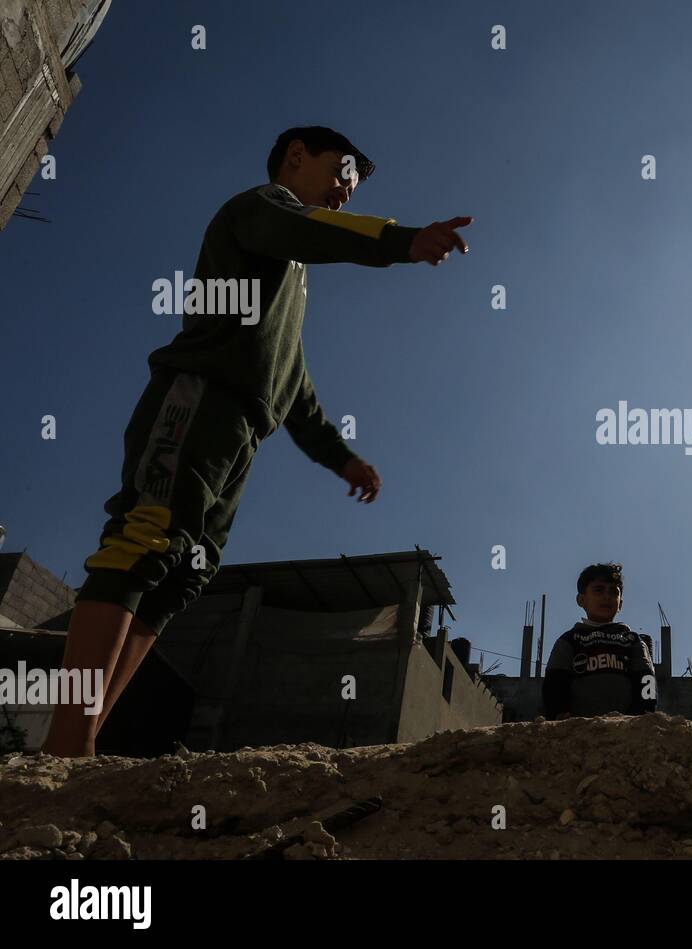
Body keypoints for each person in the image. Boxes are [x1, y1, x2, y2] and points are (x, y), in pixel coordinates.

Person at [43, 126, 472, 757]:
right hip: (197, 398)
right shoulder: (259, 210)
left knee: (182, 576)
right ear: (297, 155)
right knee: (143, 540)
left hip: (241, 431)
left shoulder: (292, 279)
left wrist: (341, 456)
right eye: (341, 172)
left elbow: (293, 382)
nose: (345, 193)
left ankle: (87, 737)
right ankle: (65, 744)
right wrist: (402, 240)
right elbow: (310, 231)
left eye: (352, 188)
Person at [542, 563, 657, 719]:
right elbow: (554, 682)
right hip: (578, 729)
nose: (606, 596)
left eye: (613, 592)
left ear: (620, 604)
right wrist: (558, 713)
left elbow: (647, 679)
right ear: (581, 600)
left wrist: (644, 713)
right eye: (599, 590)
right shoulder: (570, 640)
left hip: (626, 729)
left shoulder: (632, 640)